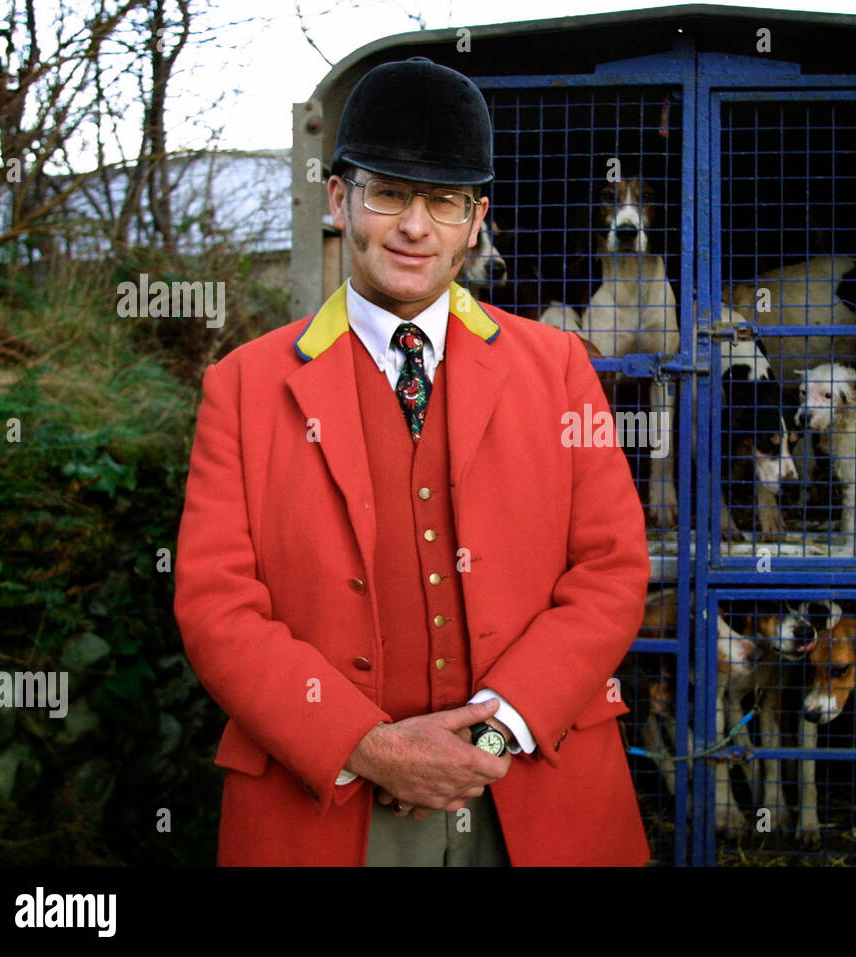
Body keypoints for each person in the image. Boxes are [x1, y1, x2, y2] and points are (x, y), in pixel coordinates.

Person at [174, 57, 651, 866]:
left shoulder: (562, 368)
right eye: (388, 191)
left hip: (534, 787)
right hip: (326, 802)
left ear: (477, 219)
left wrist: (499, 723)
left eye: (445, 200)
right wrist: (363, 741)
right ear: (338, 199)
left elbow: (612, 568)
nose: (415, 226)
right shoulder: (242, 388)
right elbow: (215, 606)